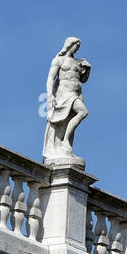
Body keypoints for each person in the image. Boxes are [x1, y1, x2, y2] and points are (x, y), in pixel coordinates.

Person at [44, 37, 91, 165]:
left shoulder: (77, 63)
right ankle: (64, 143)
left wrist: (87, 69)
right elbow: (50, 79)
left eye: (78, 47)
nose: (77, 49)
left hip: (76, 93)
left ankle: (66, 143)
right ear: (69, 45)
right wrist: (50, 96)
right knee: (83, 112)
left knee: (77, 115)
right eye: (76, 46)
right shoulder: (59, 60)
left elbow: (83, 80)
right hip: (64, 94)